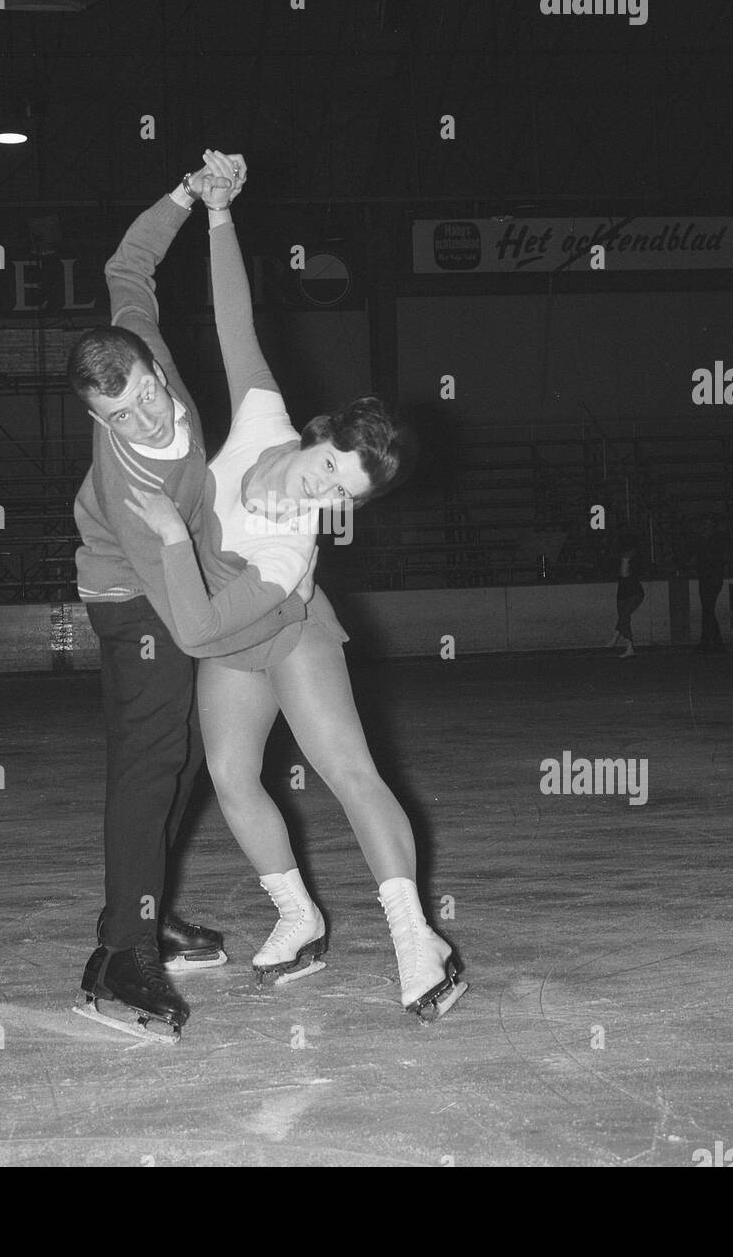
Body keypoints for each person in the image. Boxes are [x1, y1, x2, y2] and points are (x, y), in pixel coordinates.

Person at [125, 158, 467, 1024]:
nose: (322, 494)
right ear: (316, 435)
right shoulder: (261, 416)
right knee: (234, 778)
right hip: (229, 629)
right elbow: (236, 317)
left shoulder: (292, 547)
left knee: (347, 769)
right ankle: (298, 916)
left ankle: (414, 936)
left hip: (288, 624)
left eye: (342, 496)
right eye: (326, 471)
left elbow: (243, 601)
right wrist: (219, 215)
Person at [66, 153, 307, 1045]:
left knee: (192, 755)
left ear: (150, 367)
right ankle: (124, 953)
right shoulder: (130, 486)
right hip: (136, 592)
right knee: (151, 755)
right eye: (113, 420)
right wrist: (267, 596)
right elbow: (187, 616)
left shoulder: (145, 343)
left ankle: (138, 906)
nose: (138, 423)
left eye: (138, 402)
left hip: (186, 571)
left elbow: (126, 268)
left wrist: (187, 193)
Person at [689, 514, 730, 653]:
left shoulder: (717, 538)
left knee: (708, 609)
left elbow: (715, 555)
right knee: (707, 609)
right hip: (706, 576)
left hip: (713, 576)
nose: (705, 524)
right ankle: (711, 642)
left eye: (708, 522)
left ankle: (711, 642)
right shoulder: (705, 537)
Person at [609, 533, 646, 659]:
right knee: (623, 617)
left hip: (634, 591)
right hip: (623, 591)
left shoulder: (636, 560)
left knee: (624, 616)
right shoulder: (617, 558)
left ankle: (628, 646)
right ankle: (615, 639)